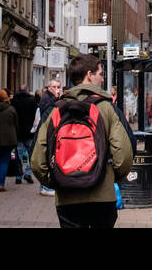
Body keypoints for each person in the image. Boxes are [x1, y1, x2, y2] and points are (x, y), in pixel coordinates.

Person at [30, 53, 133, 228]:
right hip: (102, 196)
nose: (102, 79)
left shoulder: (55, 110)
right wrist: (111, 177)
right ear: (89, 75)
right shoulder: (107, 108)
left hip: (67, 195)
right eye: (100, 74)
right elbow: (123, 155)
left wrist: (56, 180)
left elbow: (36, 159)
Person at [36, 79, 63, 195]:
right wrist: (55, 98)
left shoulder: (52, 97)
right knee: (46, 158)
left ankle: (46, 186)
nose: (57, 89)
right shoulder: (46, 98)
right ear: (49, 88)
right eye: (55, 87)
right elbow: (46, 110)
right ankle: (45, 187)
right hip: (46, 130)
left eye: (58, 87)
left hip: (51, 130)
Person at [11, 86, 37, 185]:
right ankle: (28, 173)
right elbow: (36, 116)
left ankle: (18, 176)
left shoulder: (14, 101)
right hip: (30, 132)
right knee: (31, 155)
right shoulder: (32, 101)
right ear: (27, 91)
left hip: (17, 132)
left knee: (19, 155)